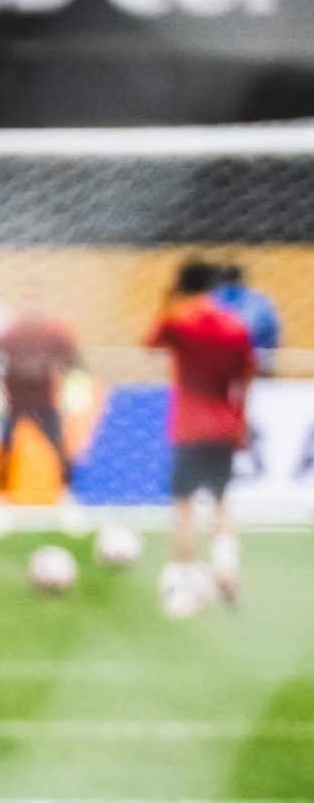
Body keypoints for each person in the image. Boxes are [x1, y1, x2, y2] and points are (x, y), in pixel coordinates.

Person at [147, 259, 256, 608]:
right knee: (222, 502)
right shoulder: (235, 326)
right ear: (212, 286)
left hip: (189, 426)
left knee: (184, 505)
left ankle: (186, 576)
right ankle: (225, 568)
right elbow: (247, 376)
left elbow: (151, 343)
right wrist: (240, 422)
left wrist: (168, 299)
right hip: (224, 423)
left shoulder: (180, 321)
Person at [0, 298, 84, 503]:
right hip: (15, 403)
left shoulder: (51, 334)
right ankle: (0, 495)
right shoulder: (12, 334)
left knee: (58, 447)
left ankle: (67, 493)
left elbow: (73, 358)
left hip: (44, 402)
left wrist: (68, 384)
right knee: (6, 448)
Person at [213, 263, 281, 376]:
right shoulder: (260, 300)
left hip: (216, 367)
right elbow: (271, 334)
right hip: (257, 364)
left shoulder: (210, 299)